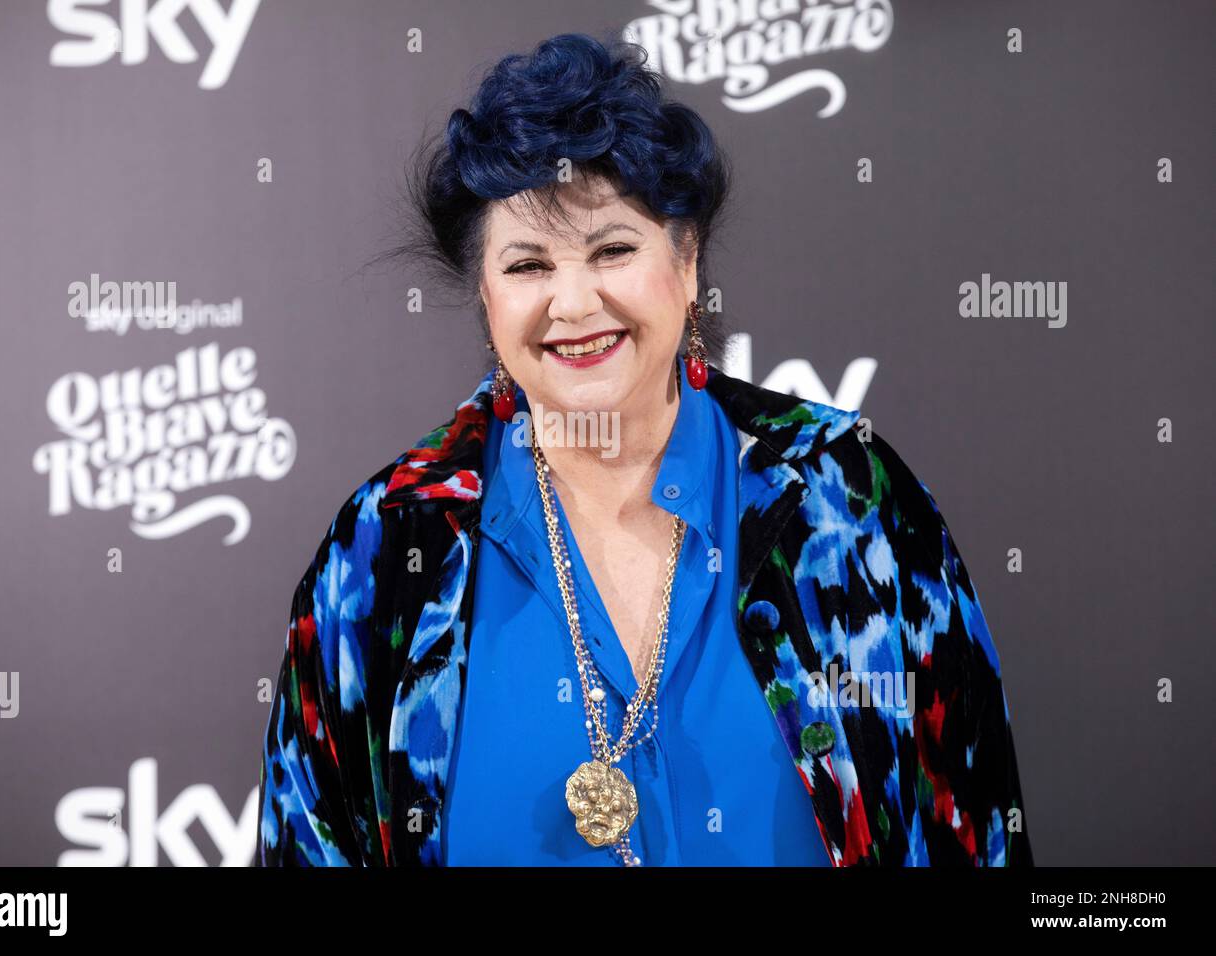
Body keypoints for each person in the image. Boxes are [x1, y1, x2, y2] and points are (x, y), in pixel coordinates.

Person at [256, 32, 1033, 867]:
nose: (573, 301)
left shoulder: (846, 497)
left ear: (688, 261)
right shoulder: (386, 549)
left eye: (613, 250)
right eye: (527, 265)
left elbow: (976, 833)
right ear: (484, 295)